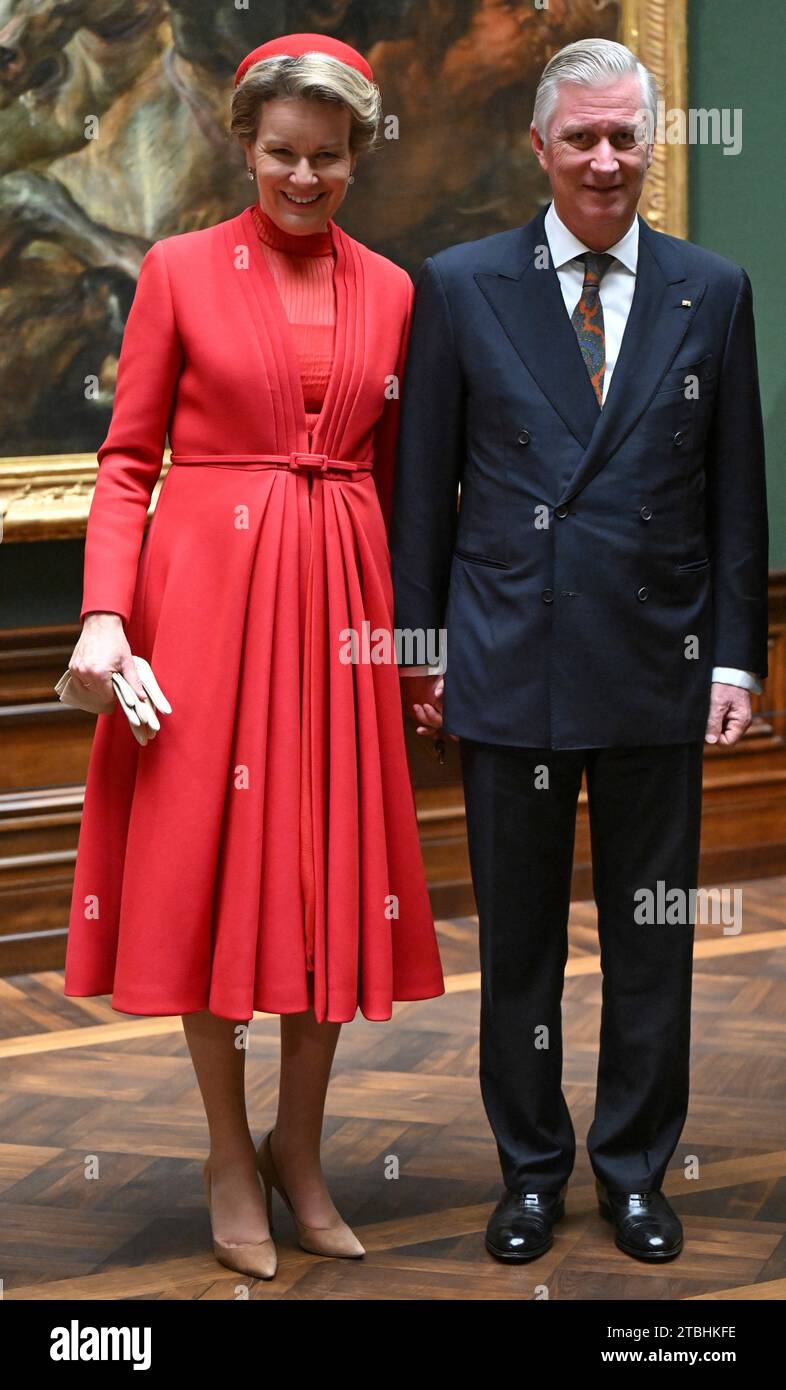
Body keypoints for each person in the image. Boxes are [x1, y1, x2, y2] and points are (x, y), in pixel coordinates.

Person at [64, 32, 444, 1281]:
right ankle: (230, 1150)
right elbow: (126, 465)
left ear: (356, 156)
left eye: (327, 159)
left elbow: (401, 481)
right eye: (281, 154)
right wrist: (106, 616)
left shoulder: (394, 288)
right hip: (204, 603)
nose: (302, 178)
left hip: (342, 598)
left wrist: (409, 646)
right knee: (216, 869)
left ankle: (302, 1145)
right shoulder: (176, 269)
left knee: (332, 872)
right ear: (244, 145)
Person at [392, 37, 768, 1263]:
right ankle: (533, 1174)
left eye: (625, 137)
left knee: (652, 936)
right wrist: (420, 647)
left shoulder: (710, 289)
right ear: (540, 146)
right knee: (521, 949)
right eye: (582, 137)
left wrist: (735, 658)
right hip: (507, 666)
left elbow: (735, 497)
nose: (604, 159)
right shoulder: (457, 285)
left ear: (651, 147)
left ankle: (637, 1171)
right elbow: (423, 489)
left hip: (658, 668)